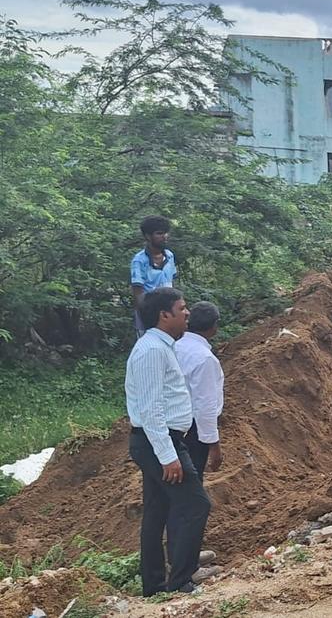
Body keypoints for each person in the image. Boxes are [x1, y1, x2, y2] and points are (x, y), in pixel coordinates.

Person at [126, 288, 210, 596]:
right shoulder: (151, 351)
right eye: (182, 308)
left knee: (157, 510)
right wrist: (168, 455)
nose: (187, 313)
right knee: (196, 504)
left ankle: (154, 586)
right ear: (164, 315)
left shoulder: (161, 346)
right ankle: (180, 581)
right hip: (158, 441)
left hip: (158, 439)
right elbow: (151, 409)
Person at [177, 301, 224, 483]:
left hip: (173, 425)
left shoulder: (174, 347)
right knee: (192, 481)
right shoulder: (205, 358)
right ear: (214, 326)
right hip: (192, 430)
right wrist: (214, 445)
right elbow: (205, 405)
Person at [131, 215, 177, 337]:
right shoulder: (139, 260)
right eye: (159, 233)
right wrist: (147, 317)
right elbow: (138, 292)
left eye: (166, 233)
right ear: (148, 236)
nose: (165, 236)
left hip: (168, 310)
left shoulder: (169, 256)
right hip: (149, 313)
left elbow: (172, 283)